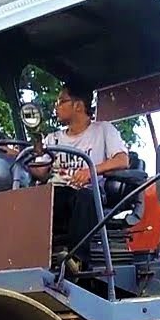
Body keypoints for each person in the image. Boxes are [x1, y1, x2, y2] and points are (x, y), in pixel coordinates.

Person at [30, 85, 130, 271]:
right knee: (34, 200)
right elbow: (40, 172)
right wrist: (22, 155)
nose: (56, 106)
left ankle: (76, 259)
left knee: (86, 195)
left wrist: (90, 171)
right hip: (58, 194)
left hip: (88, 194)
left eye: (61, 101)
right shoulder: (53, 138)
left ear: (78, 105)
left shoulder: (103, 130)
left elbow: (122, 160)